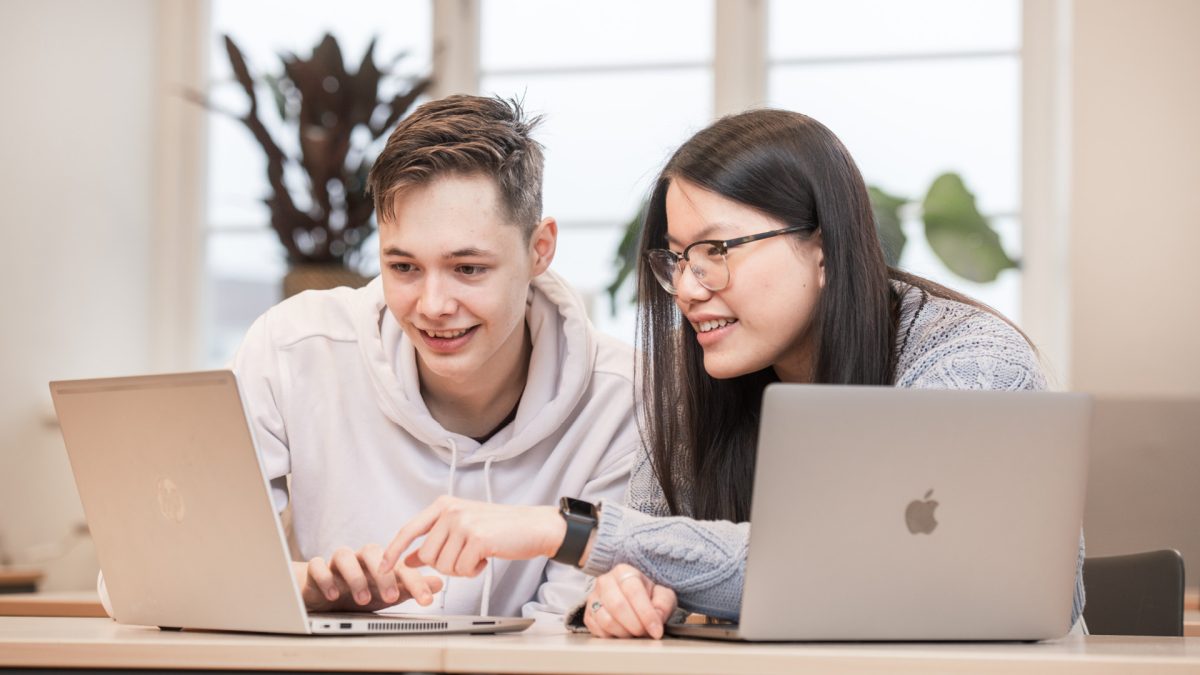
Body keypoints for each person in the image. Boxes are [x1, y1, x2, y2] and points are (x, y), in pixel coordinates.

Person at [374, 108, 1086, 638]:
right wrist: (621, 596)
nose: (687, 287)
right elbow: (651, 558)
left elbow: (838, 563)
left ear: (823, 247)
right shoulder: (697, 384)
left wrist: (568, 529)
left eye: (717, 251)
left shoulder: (971, 362)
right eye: (678, 257)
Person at [220, 95, 639, 621]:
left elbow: (568, 628)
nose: (434, 306)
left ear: (540, 249)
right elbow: (186, 568)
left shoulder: (622, 397)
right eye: (404, 268)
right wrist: (306, 586)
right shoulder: (292, 349)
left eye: (468, 269)